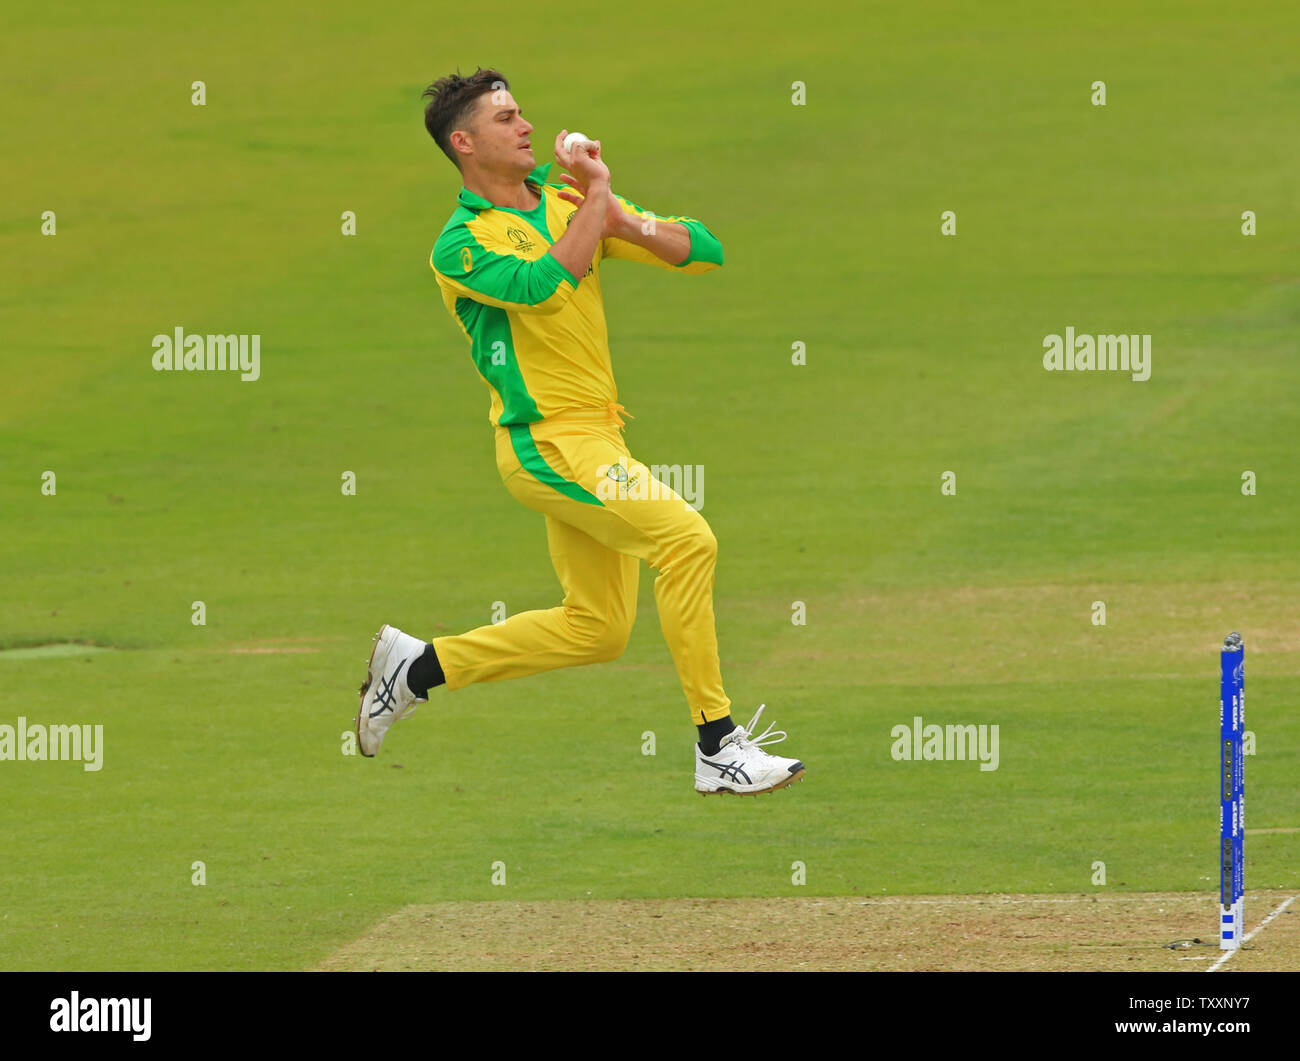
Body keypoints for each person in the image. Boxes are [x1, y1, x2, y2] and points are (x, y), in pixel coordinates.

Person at [355, 67, 804, 796]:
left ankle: (418, 667)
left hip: (601, 438)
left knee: (597, 629)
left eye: (522, 112)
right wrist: (597, 198)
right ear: (464, 143)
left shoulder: (566, 201)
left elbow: (703, 248)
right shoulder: (461, 243)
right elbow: (540, 287)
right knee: (687, 539)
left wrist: (618, 215)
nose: (525, 125)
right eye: (505, 119)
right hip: (546, 443)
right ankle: (717, 744)